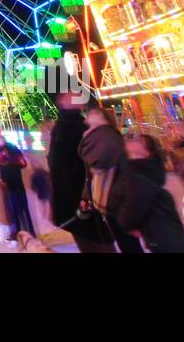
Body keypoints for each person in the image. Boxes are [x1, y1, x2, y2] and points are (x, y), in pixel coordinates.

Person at [48, 89, 115, 253]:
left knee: (92, 237)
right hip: (79, 195)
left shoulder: (72, 125)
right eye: (72, 96)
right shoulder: (68, 126)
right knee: (93, 238)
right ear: (62, 101)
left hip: (81, 195)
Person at [79, 105, 144, 253]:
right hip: (107, 202)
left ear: (103, 119)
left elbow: (107, 166)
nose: (90, 116)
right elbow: (91, 174)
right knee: (124, 242)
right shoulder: (93, 141)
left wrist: (114, 196)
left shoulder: (108, 138)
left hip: (118, 201)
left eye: (94, 114)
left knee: (129, 244)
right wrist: (86, 196)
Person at [116, 134, 184, 253]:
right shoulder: (141, 170)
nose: (133, 140)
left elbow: (134, 209)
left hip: (165, 236)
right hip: (161, 234)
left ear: (147, 153)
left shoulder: (141, 174)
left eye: (140, 141)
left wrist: (124, 221)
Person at [0, 136, 34, 237]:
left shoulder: (1, 152)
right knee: (25, 209)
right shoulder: (15, 149)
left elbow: (3, 167)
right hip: (19, 183)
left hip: (11, 185)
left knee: (15, 210)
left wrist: (4, 180)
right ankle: (30, 232)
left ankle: (19, 233)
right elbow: (23, 164)